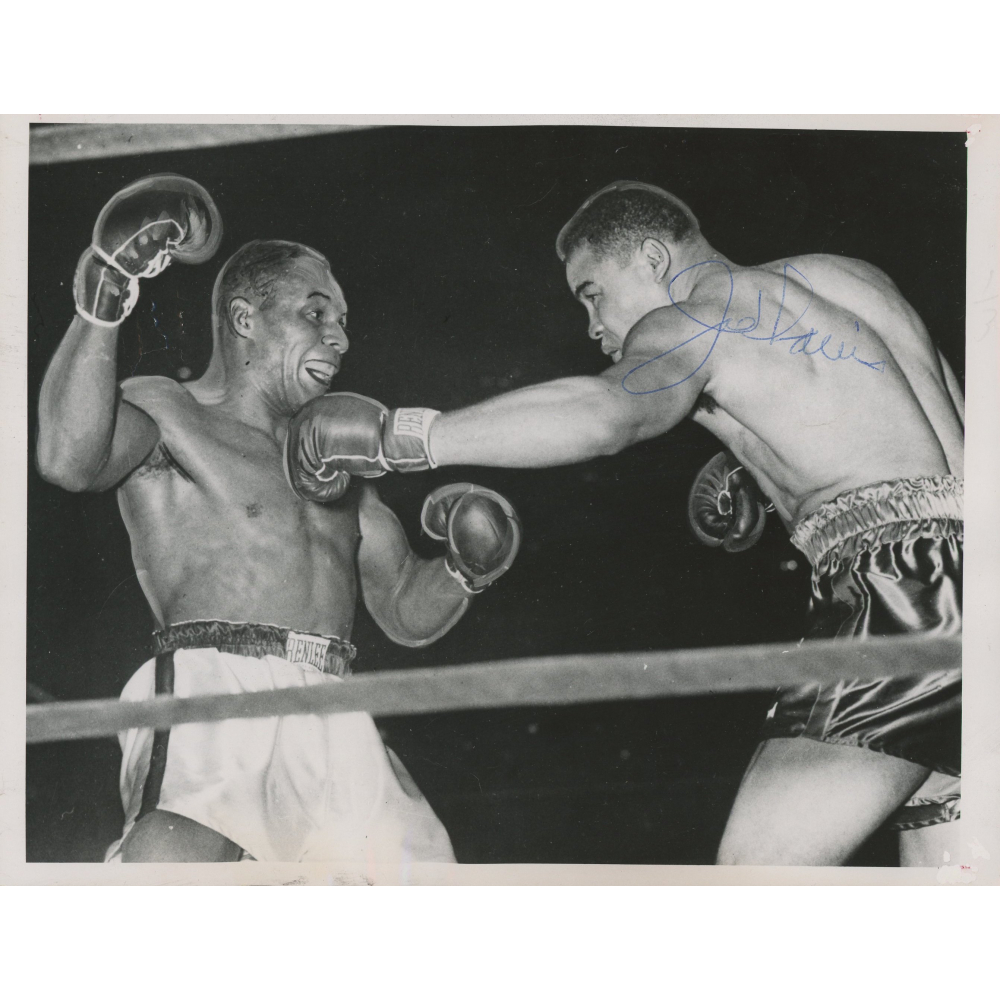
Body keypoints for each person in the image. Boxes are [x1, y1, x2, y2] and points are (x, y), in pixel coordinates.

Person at [292, 180, 964, 867]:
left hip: (907, 597)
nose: (593, 327)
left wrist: (404, 438)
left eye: (592, 294)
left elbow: (605, 414)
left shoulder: (690, 322)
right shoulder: (843, 279)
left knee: (756, 878)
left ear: (650, 258)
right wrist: (760, 476)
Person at [35, 174, 521, 865]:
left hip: (334, 700)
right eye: (316, 314)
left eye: (344, 321)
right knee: (173, 864)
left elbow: (405, 609)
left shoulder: (335, 461)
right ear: (243, 321)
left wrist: (467, 566)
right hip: (215, 683)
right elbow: (66, 458)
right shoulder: (170, 411)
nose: (340, 338)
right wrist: (106, 293)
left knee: (416, 884)